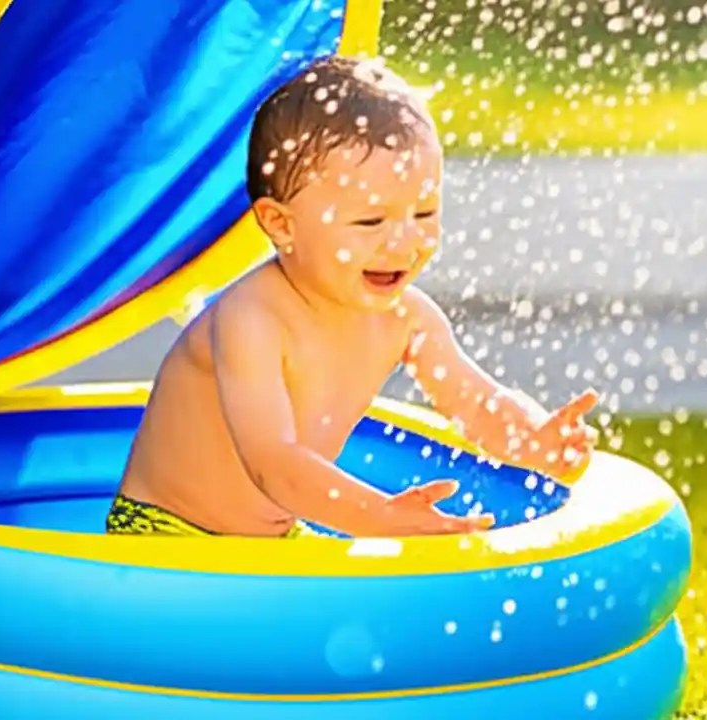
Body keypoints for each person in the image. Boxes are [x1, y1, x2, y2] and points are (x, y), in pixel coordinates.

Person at [105, 55, 597, 539]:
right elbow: (273, 464)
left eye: (424, 213)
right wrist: (378, 516)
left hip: (275, 536)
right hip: (166, 535)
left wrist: (532, 438)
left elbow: (476, 404)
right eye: (369, 222)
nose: (404, 242)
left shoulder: (407, 319)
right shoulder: (251, 320)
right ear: (281, 224)